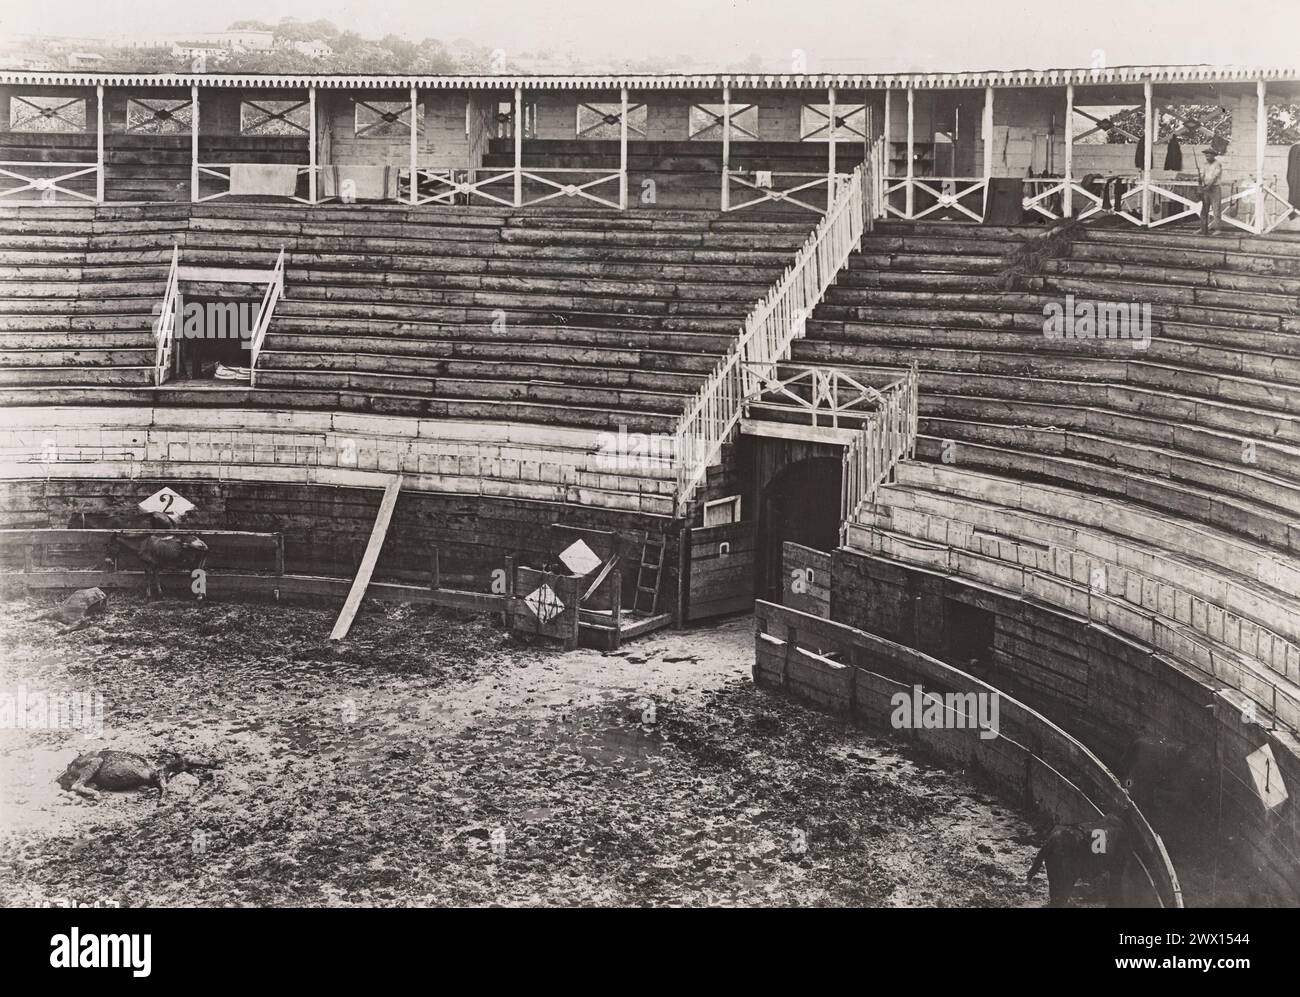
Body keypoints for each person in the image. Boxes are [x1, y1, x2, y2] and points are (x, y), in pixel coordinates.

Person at [1201, 148, 1223, 234]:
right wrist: (1202, 183)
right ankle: (1203, 228)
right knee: (1204, 209)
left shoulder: (1217, 164)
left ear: (1213, 155)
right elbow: (1202, 175)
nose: (1207, 156)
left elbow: (1215, 177)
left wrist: (1209, 186)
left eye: (1209, 154)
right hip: (1206, 188)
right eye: (1206, 154)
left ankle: (1218, 229)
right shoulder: (1205, 164)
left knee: (1216, 209)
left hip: (1214, 188)